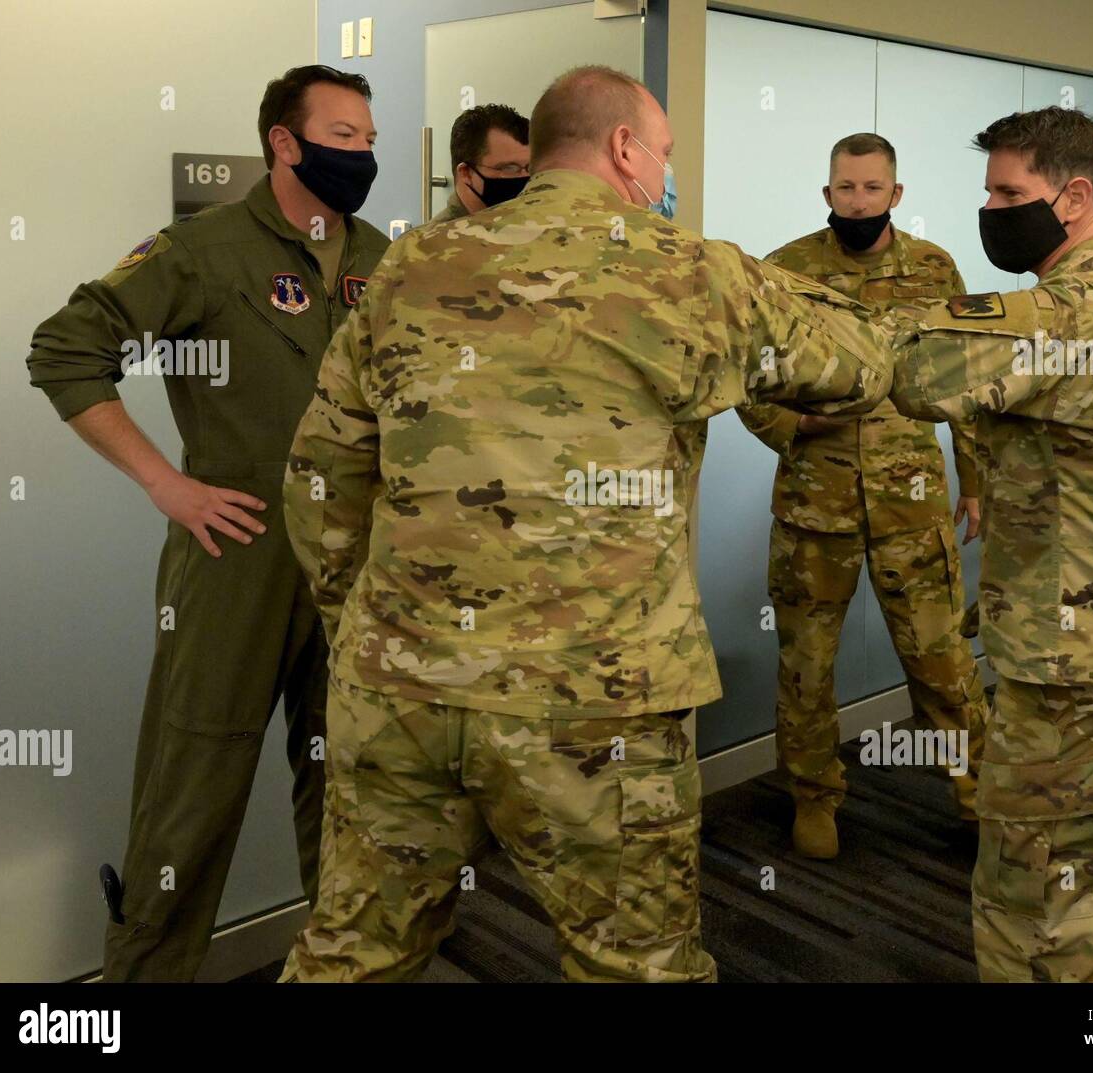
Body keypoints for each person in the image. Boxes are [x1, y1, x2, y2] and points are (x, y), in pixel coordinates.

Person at [278, 65, 891, 983]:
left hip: (401, 688)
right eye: (667, 155)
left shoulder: (408, 267)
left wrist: (364, 624)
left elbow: (320, 478)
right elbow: (861, 365)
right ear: (624, 150)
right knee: (634, 965)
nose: (668, 176)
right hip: (599, 704)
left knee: (351, 956)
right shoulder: (688, 269)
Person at [25, 64, 390, 982]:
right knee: (191, 789)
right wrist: (164, 483)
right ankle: (143, 975)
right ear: (284, 141)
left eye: (370, 139)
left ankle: (338, 966)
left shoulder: (385, 259)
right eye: (343, 137)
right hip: (237, 556)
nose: (363, 154)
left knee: (350, 784)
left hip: (357, 562)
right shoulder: (204, 249)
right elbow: (65, 349)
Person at [886, 106, 1093, 983]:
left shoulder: (1075, 315)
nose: (989, 208)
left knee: (1037, 907)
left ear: (1073, 198)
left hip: (1079, 674)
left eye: (1006, 191)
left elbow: (915, 370)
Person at [738, 133, 988, 858]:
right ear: (827, 194)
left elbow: (963, 378)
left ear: (896, 195)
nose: (858, 202)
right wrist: (792, 422)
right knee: (807, 668)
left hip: (912, 507)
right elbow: (746, 377)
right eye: (846, 188)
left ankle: (980, 799)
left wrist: (973, 482)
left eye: (872, 189)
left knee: (944, 666)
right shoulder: (783, 271)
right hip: (816, 511)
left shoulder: (936, 269)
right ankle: (814, 796)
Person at [428, 103, 531, 224]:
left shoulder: (525, 223)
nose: (525, 177)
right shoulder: (434, 240)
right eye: (509, 168)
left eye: (530, 167)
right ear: (466, 173)